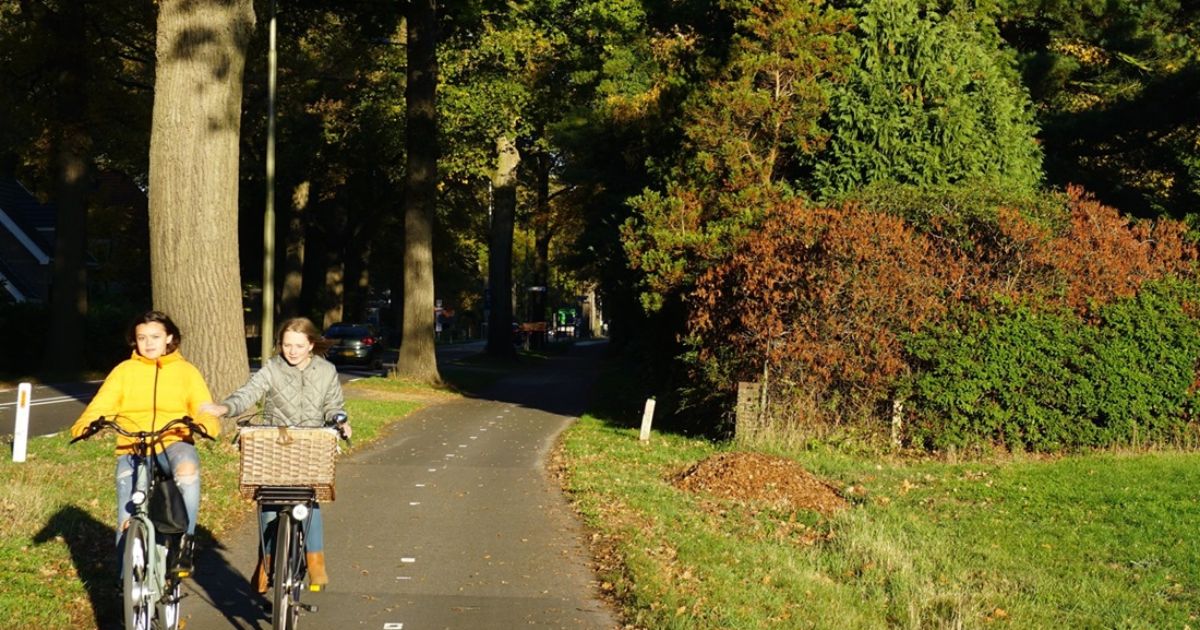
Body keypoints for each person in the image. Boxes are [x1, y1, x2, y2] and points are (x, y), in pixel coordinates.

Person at [201, 316, 350, 591]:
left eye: (298, 345)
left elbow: (333, 405)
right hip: (276, 443)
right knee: (268, 501)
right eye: (286, 345)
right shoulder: (272, 368)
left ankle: (316, 563)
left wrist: (341, 421)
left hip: (311, 443)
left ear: (311, 345)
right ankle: (267, 561)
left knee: (309, 497)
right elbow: (249, 392)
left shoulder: (326, 371)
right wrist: (226, 408)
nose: (291, 351)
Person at [70, 310, 221, 577]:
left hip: (173, 440)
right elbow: (103, 403)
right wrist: (85, 424)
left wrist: (206, 423)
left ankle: (184, 541)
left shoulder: (186, 371)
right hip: (132, 444)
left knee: (187, 469)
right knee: (127, 511)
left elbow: (201, 404)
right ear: (134, 341)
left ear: (169, 338)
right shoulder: (124, 371)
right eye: (142, 337)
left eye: (155, 336)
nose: (149, 343)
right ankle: (126, 581)